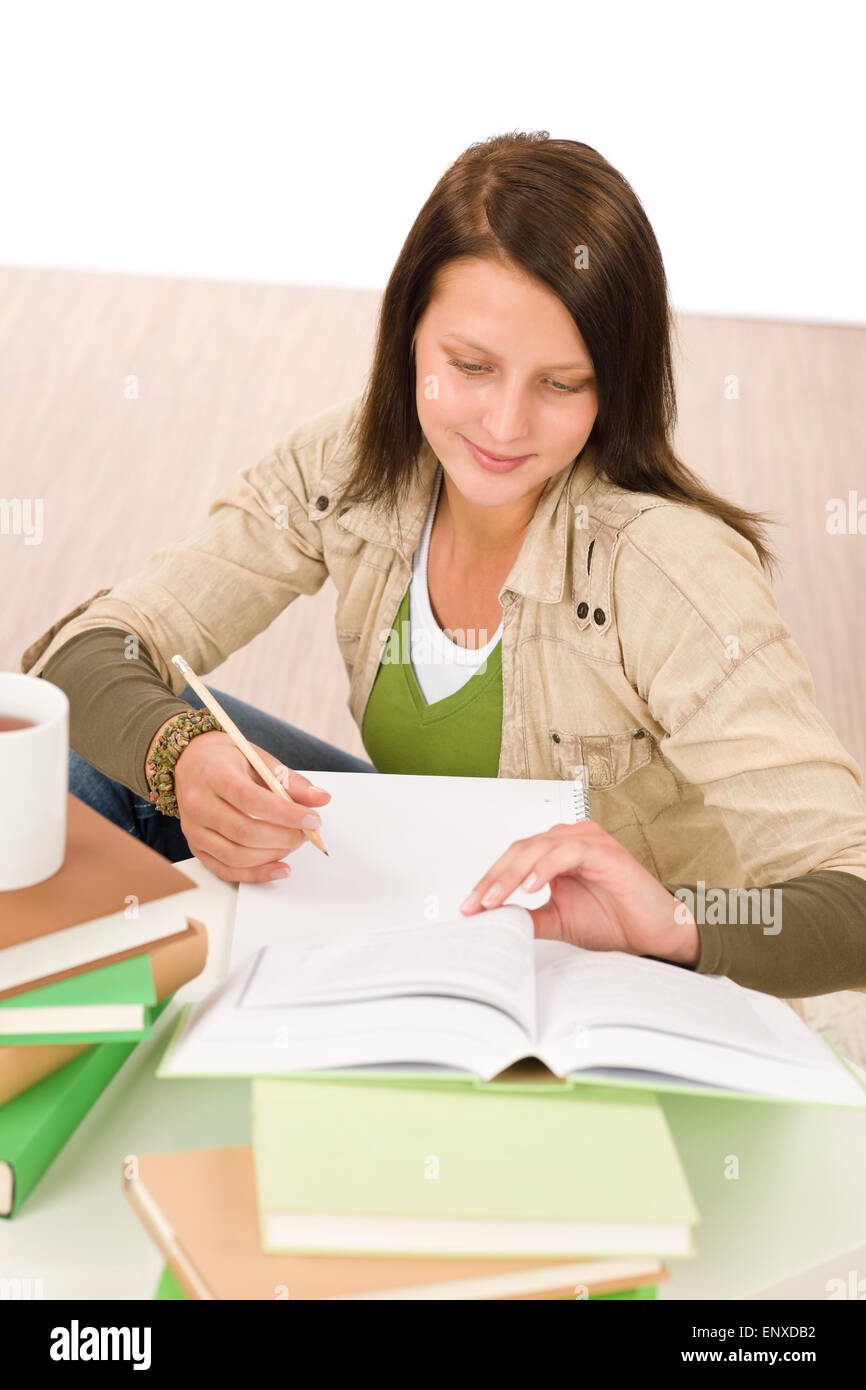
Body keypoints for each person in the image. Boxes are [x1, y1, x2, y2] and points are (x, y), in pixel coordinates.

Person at [21, 131, 866, 1001]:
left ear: (614, 385)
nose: (503, 425)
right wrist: (183, 757)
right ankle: (64, 1066)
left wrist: (674, 923)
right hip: (446, 905)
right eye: (470, 367)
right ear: (407, 337)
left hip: (606, 986)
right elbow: (84, 653)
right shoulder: (348, 465)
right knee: (80, 761)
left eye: (560, 384)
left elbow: (855, 898)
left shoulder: (670, 570)